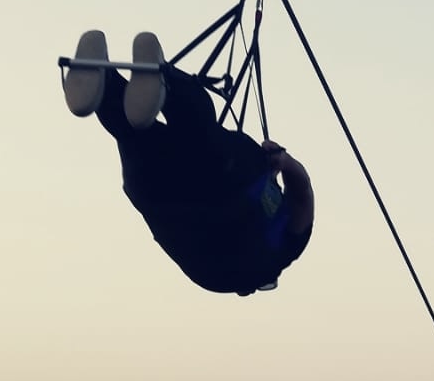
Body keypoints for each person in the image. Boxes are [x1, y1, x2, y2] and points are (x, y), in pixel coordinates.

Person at [63, 30, 314, 296]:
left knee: (199, 129)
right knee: (134, 132)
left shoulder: (285, 249)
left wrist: (283, 162)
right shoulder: (220, 280)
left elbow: (303, 193)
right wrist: (281, 163)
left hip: (222, 184)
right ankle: (104, 84)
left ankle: (162, 81)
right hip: (157, 194)